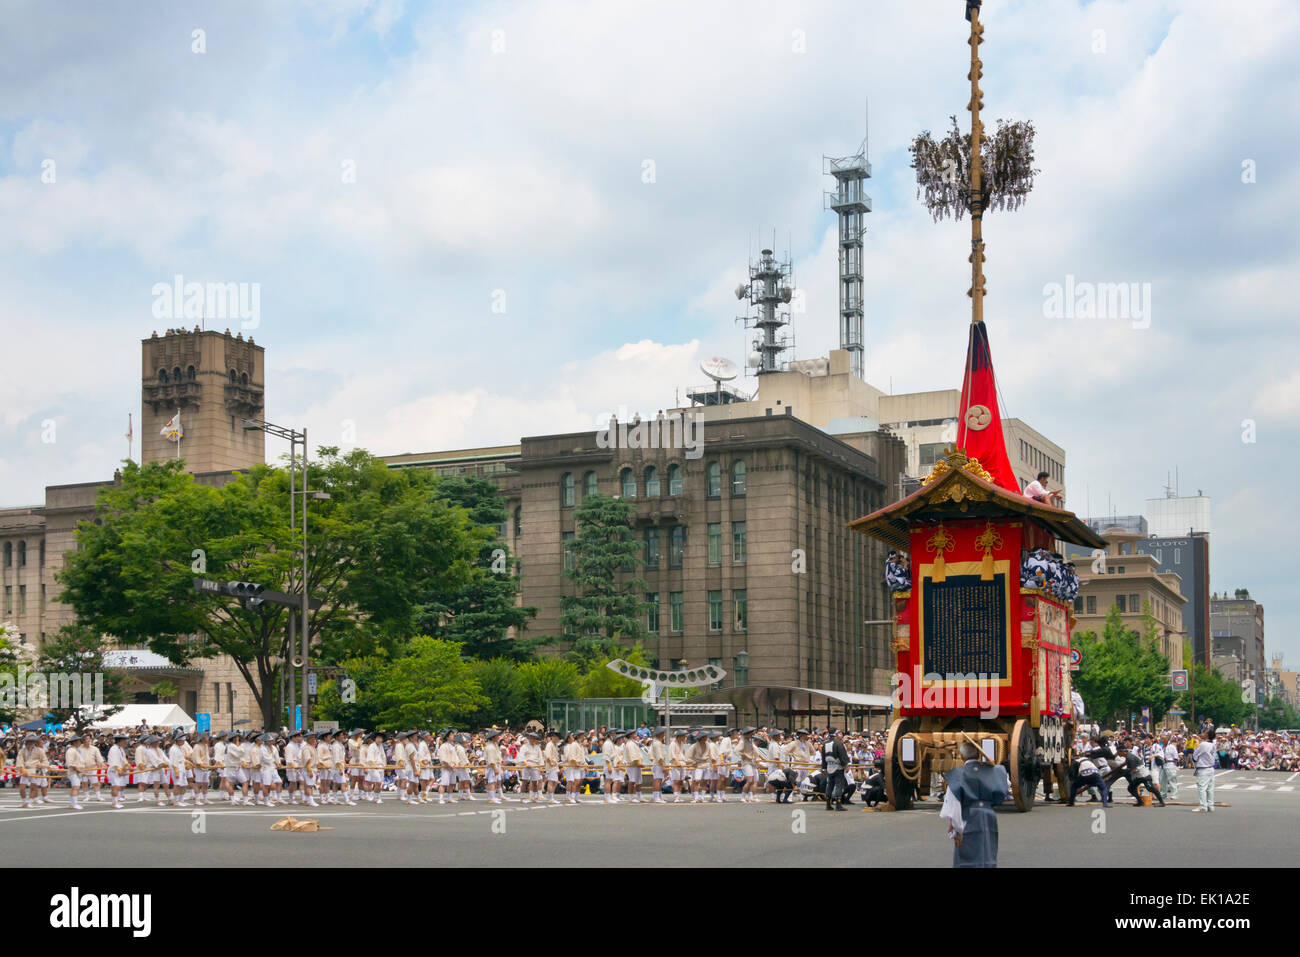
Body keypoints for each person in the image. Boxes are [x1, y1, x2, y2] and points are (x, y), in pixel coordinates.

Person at [940, 740, 1011, 868]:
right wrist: (994, 767)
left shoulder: (957, 775)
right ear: (979, 754)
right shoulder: (994, 771)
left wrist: (957, 829)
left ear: (961, 756)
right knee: (987, 855)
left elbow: (954, 806)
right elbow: (1006, 785)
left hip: (969, 817)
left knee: (967, 859)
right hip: (989, 816)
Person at [820, 729, 850, 811]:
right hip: (838, 767)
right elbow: (842, 755)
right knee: (838, 785)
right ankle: (838, 804)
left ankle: (828, 804)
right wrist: (846, 765)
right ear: (836, 734)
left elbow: (823, 757)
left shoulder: (825, 744)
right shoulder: (838, 743)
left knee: (829, 785)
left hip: (829, 766)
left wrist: (824, 767)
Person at [1192, 731, 1216, 813]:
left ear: (1207, 735)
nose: (1203, 734)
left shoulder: (1203, 744)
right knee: (1210, 789)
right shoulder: (1213, 744)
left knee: (1202, 788)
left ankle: (1203, 806)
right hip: (1211, 767)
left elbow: (1195, 755)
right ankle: (1210, 805)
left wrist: (1196, 746)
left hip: (1203, 767)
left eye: (1205, 733)